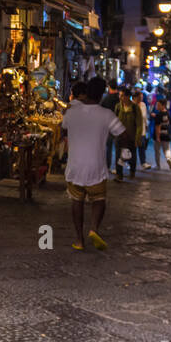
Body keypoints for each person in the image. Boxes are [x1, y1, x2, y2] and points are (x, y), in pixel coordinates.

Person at [62, 79, 125, 250]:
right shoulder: (106, 114)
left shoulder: (72, 112)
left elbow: (64, 126)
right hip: (96, 167)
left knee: (77, 201)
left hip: (75, 167)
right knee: (99, 200)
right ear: (102, 94)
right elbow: (121, 132)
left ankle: (79, 240)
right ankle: (94, 228)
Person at [111, 86, 143, 181]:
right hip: (120, 136)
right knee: (118, 155)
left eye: (122, 96)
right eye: (120, 96)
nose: (121, 98)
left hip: (131, 137)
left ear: (128, 96)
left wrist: (137, 138)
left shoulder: (135, 107)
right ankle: (119, 174)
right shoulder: (118, 107)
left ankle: (132, 171)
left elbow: (139, 124)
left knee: (132, 156)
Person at [152, 93, 171, 170]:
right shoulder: (167, 113)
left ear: (163, 105)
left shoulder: (158, 115)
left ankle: (158, 166)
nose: (156, 106)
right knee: (167, 149)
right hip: (166, 134)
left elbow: (157, 127)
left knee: (157, 151)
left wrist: (158, 137)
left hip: (159, 135)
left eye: (158, 105)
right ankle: (168, 159)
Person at [134, 89, 151, 169]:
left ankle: (143, 162)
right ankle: (129, 162)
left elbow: (145, 117)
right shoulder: (132, 105)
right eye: (139, 97)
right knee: (132, 147)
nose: (141, 99)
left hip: (142, 129)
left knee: (142, 146)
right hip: (133, 130)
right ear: (135, 98)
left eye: (141, 97)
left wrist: (147, 125)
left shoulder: (143, 105)